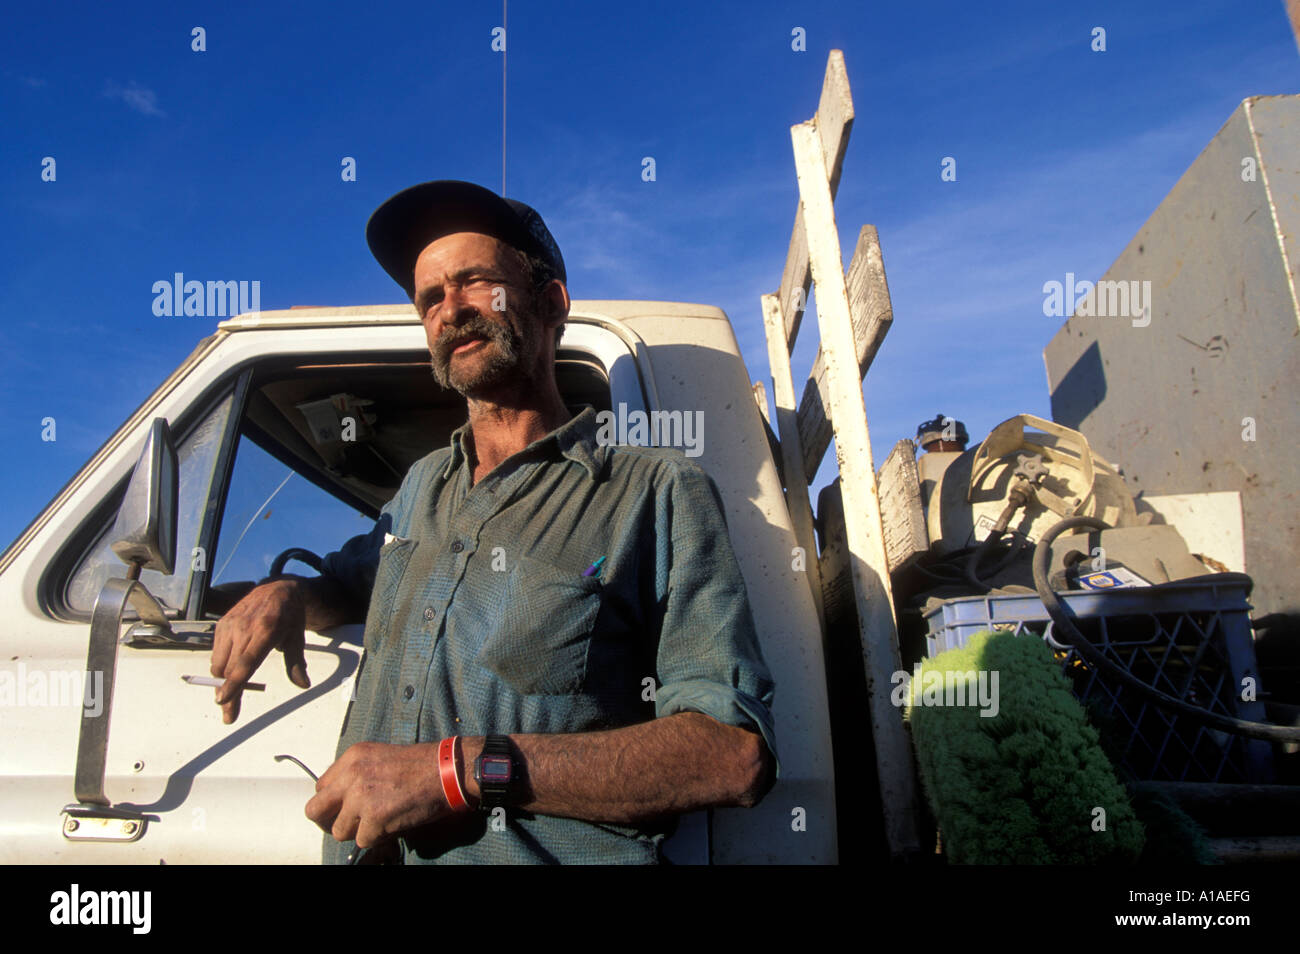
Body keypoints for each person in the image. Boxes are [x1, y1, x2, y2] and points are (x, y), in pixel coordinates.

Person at [209, 180, 778, 864]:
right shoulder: (420, 489)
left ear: (551, 303)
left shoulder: (653, 493)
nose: (449, 311)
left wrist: (459, 771)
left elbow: (730, 755)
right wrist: (291, 595)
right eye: (429, 299)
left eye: (474, 282)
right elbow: (357, 579)